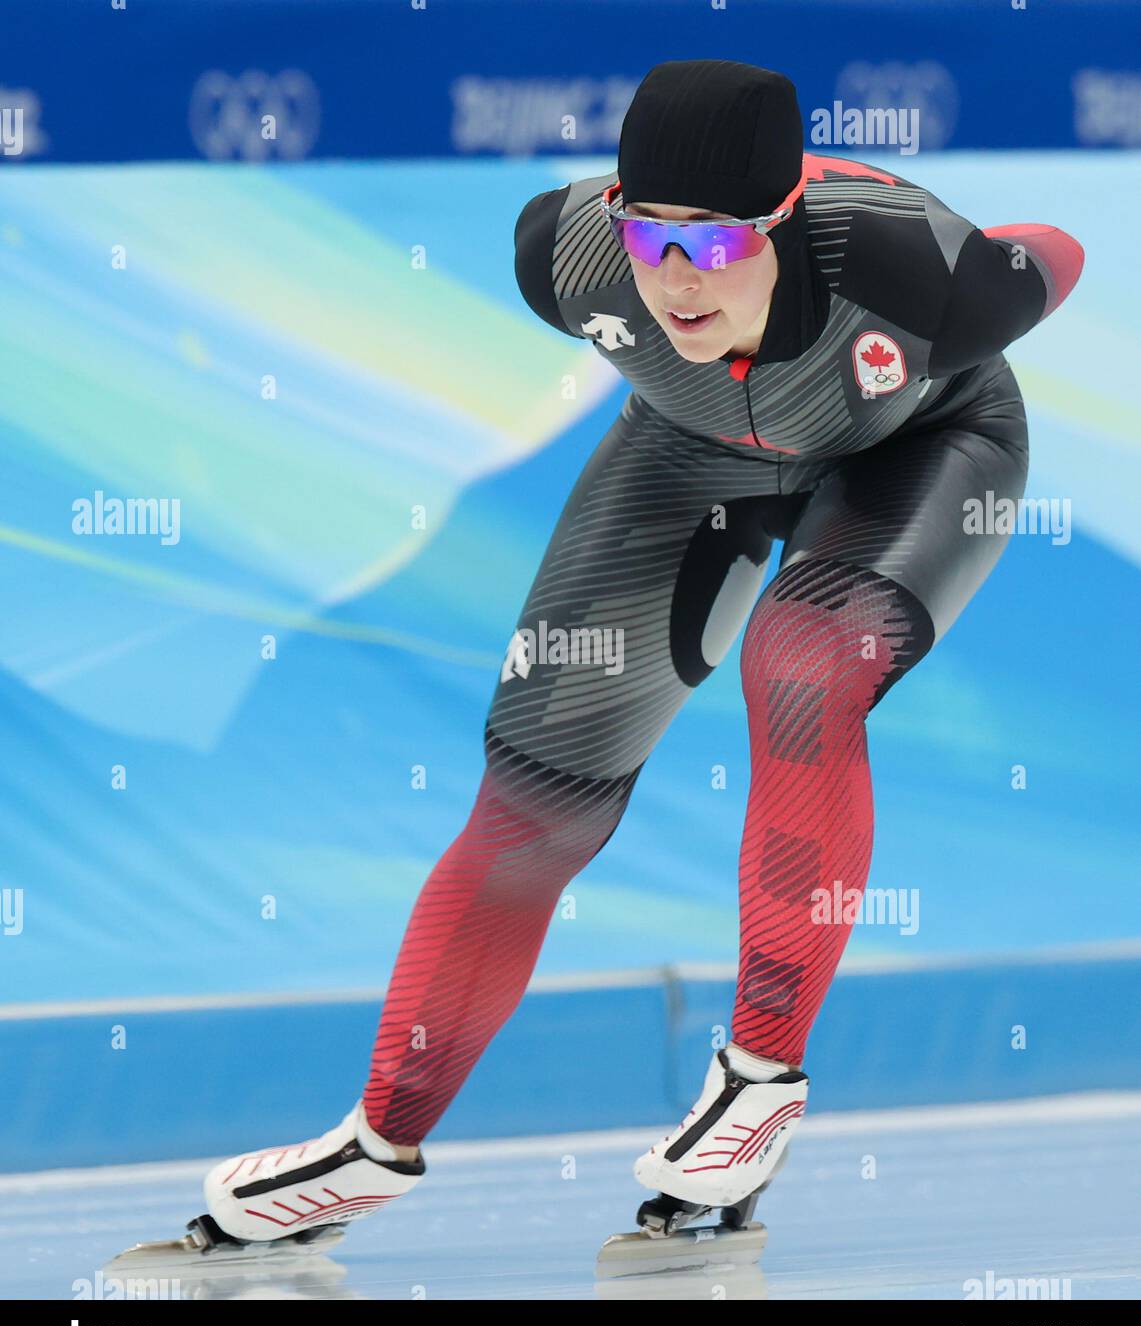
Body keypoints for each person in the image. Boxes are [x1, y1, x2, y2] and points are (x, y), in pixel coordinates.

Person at [198, 59, 1084, 1249]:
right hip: (690, 452)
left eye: (714, 246)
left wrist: (940, 224)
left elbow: (1054, 247)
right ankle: (376, 1137)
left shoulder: (924, 274)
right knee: (531, 803)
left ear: (785, 220)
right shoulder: (560, 256)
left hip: (919, 445)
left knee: (803, 659)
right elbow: (628, 251)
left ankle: (760, 1076)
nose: (673, 279)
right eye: (647, 234)